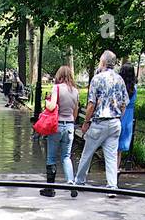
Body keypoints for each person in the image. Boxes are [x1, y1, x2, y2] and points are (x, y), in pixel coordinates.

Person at [71, 50, 129, 195]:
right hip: (115, 123)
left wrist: (86, 122)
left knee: (87, 152)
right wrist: (118, 117)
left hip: (99, 122)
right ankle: (112, 186)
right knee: (111, 156)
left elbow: (91, 104)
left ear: (103, 62)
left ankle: (79, 181)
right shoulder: (119, 79)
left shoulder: (97, 79)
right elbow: (124, 104)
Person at [40, 65, 78, 197]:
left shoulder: (57, 88)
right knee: (66, 156)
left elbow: (51, 106)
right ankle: (71, 182)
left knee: (51, 157)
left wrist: (46, 102)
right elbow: (75, 111)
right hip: (70, 127)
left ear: (59, 75)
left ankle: (50, 189)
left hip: (56, 126)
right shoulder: (75, 91)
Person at [118, 62, 138, 155]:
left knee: (112, 147)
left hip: (119, 115)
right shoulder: (134, 88)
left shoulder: (119, 87)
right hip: (129, 117)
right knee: (119, 150)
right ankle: (116, 168)